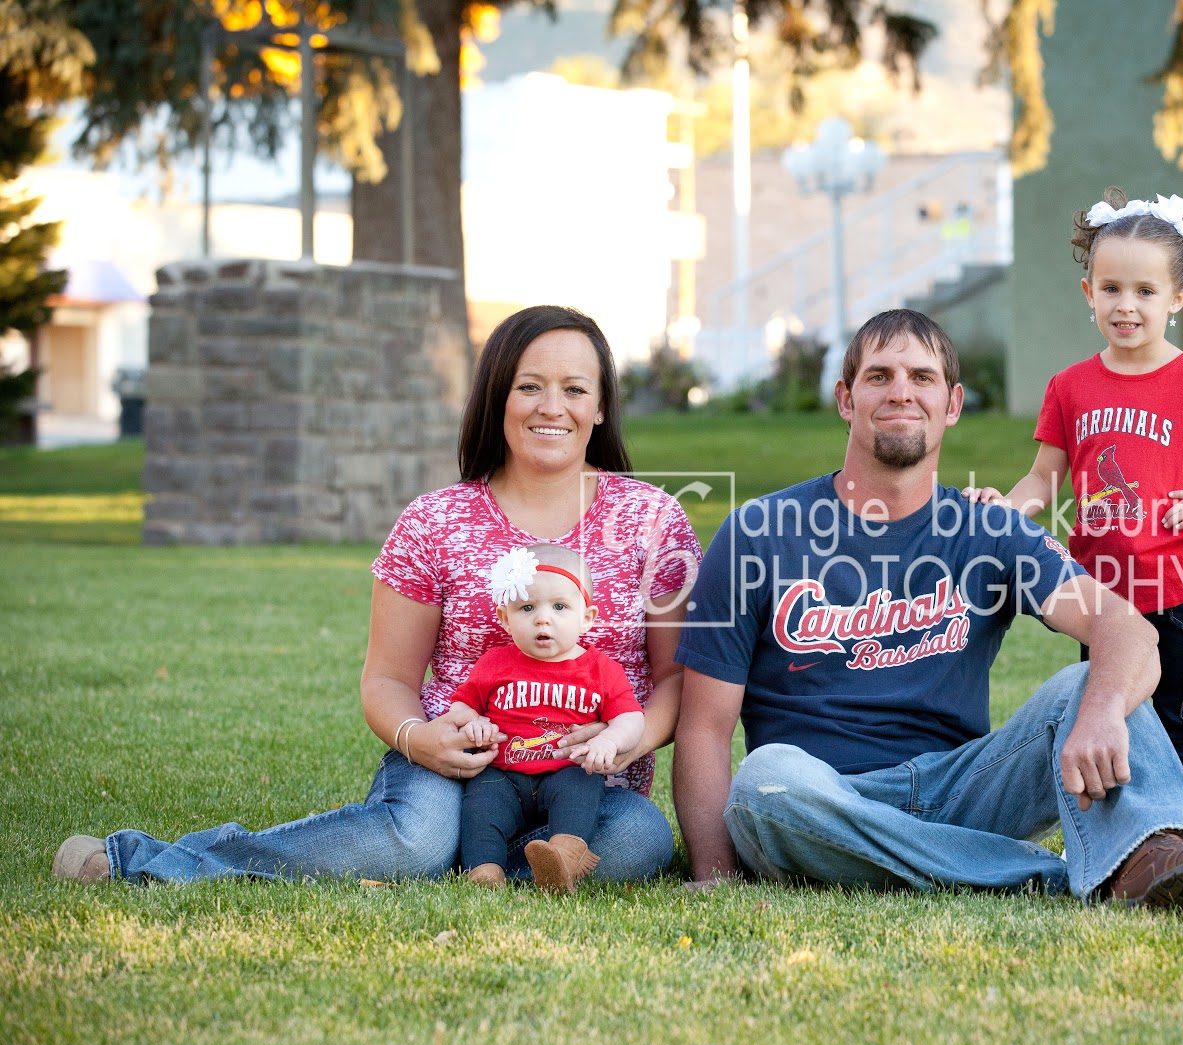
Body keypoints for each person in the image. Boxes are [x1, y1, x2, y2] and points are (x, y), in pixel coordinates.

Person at [52, 306, 702, 885]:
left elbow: (676, 678)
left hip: (584, 785)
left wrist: (625, 739)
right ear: (497, 398)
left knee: (638, 839)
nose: (551, 407)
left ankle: (459, 861)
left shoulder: (653, 520)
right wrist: (419, 739)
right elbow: (388, 677)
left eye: (574, 389)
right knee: (420, 834)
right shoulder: (433, 521)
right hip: (456, 767)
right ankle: (148, 861)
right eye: (528, 386)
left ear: (600, 407)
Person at [671, 308, 1183, 915]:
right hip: (819, 795)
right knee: (764, 784)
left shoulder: (987, 528)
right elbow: (705, 726)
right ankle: (1061, 876)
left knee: (1093, 680)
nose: (901, 392)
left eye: (922, 377)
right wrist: (715, 873)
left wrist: (1101, 711)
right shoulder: (759, 532)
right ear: (845, 399)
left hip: (964, 790)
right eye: (879, 376)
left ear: (953, 403)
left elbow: (1126, 628)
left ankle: (1160, 849)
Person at [964, 190, 1183, 833]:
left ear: (1178, 298)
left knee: (1177, 717)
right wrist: (1004, 508)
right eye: (1111, 288)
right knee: (1108, 715)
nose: (1126, 305)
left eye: (1146, 291)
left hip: (1178, 586)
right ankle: (1125, 842)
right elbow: (1044, 478)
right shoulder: (1070, 386)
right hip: (1101, 593)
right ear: (1088, 292)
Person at [455, 545, 646, 891]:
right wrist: (473, 722)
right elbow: (461, 705)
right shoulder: (495, 663)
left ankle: (563, 860)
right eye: (527, 608)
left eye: (559, 607)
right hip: (503, 774)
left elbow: (631, 718)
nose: (543, 619)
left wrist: (609, 740)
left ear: (586, 617)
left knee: (583, 786)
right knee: (481, 805)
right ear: (505, 618)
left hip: (567, 771)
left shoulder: (601, 670)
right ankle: (485, 871)